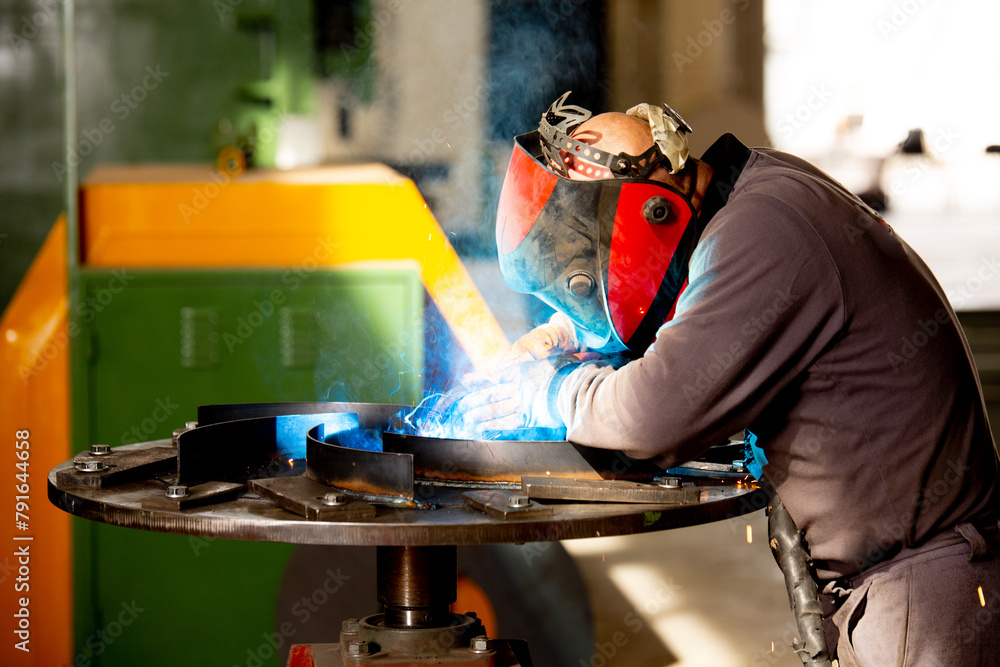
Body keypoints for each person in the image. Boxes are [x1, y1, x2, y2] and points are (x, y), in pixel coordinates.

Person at [459, 92, 1000, 665]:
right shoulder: (753, 192)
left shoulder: (763, 231)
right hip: (901, 580)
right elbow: (693, 306)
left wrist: (547, 392)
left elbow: (653, 415)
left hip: (923, 597)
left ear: (649, 213)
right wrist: (569, 331)